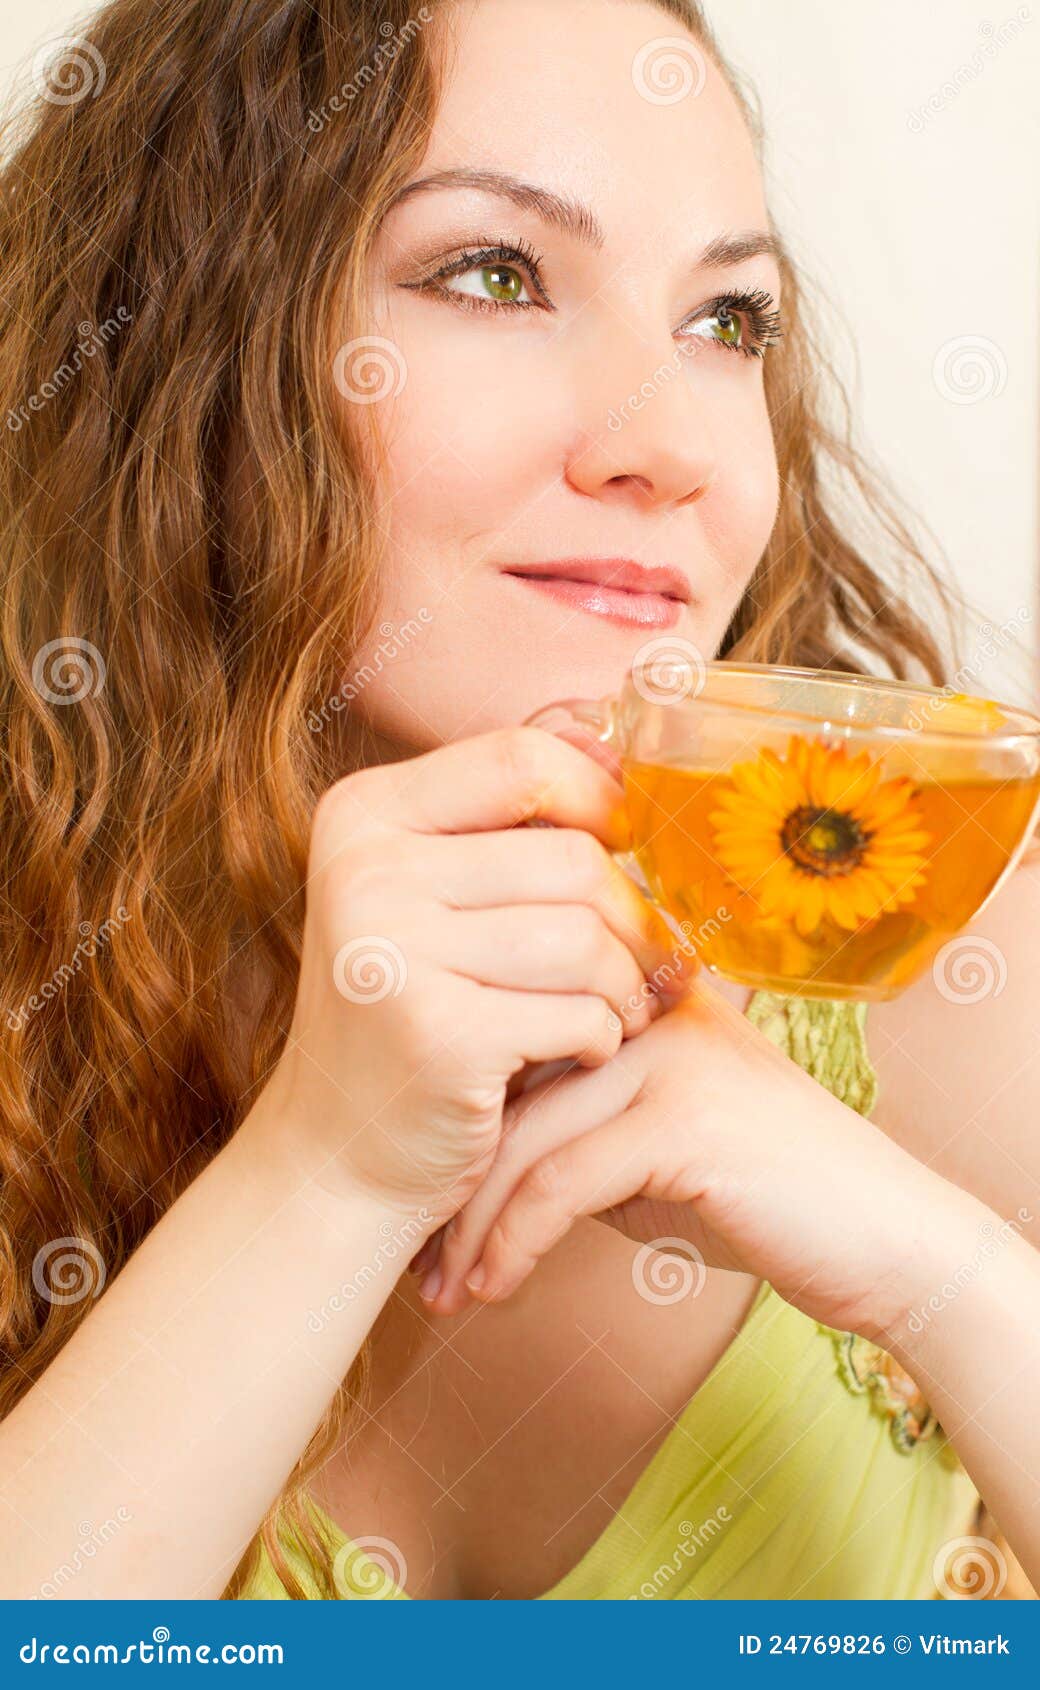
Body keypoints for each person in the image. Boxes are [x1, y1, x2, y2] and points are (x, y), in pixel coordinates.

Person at [0, 0, 1037, 1603]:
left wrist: (951, 1282)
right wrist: (326, 1169)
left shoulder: (960, 929)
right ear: (184, 357)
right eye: (492, 275)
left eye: (729, 320)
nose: (671, 445)